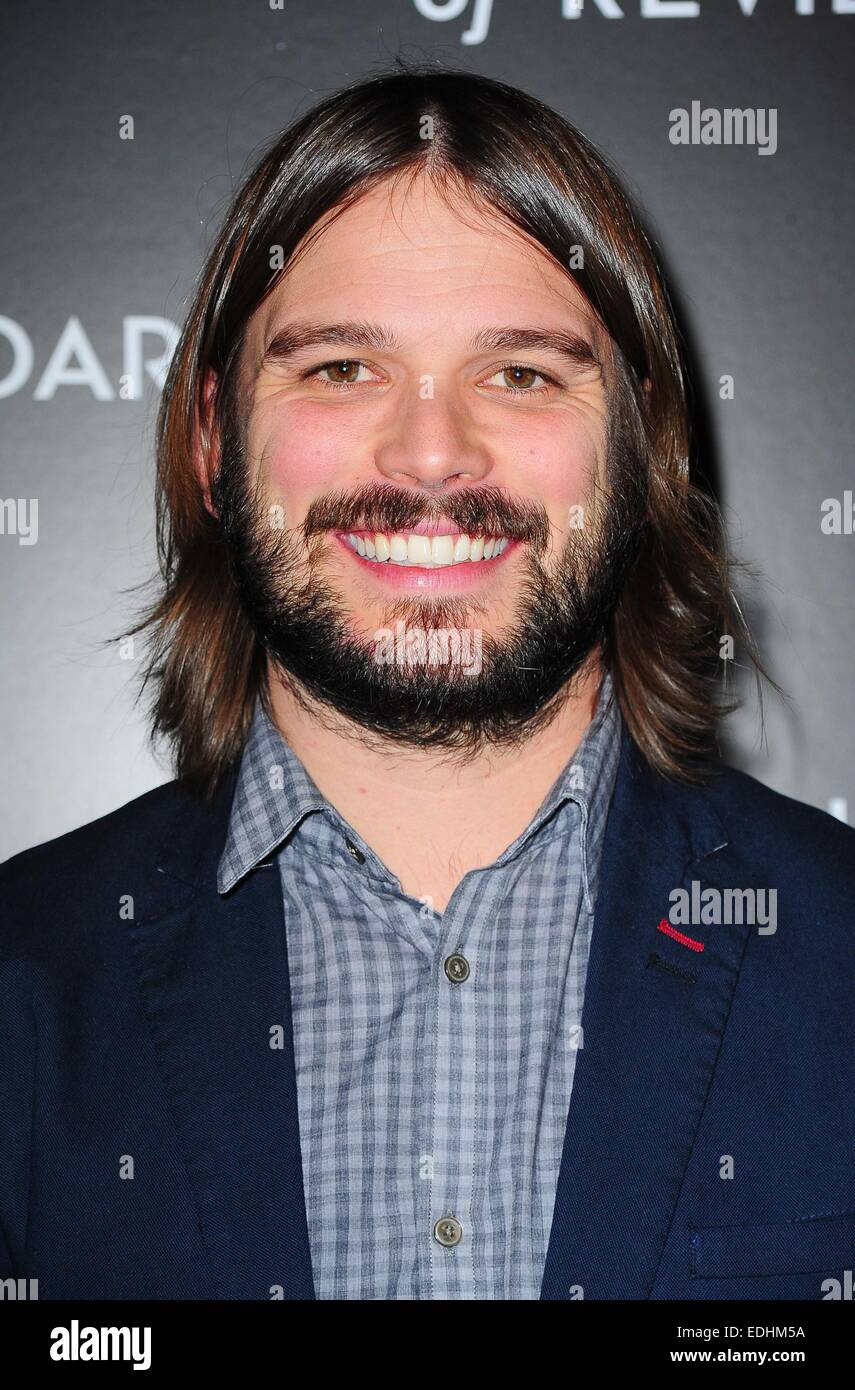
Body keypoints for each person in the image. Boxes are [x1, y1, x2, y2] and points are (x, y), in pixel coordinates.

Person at [1, 67, 852, 1302]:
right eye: (341, 367)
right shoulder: (22, 986)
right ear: (210, 440)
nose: (433, 452)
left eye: (521, 373)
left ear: (642, 445)